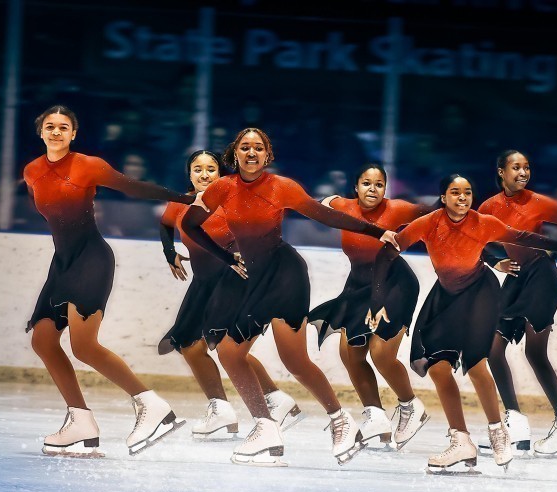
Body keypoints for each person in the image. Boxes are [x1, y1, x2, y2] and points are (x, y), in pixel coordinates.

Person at [181, 128, 398, 466]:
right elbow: (191, 224)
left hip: (286, 275)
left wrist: (377, 230)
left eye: (259, 148)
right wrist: (227, 258)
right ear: (234, 154)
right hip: (254, 278)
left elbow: (328, 216)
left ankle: (340, 421)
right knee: (229, 352)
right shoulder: (222, 188)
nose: (252, 153)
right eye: (245, 147)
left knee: (294, 361)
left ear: (268, 155)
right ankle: (266, 427)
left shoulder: (282, 187)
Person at [368, 174, 557, 474]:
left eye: (467, 192)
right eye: (455, 192)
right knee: (438, 367)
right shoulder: (429, 223)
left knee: (476, 363)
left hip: (481, 292)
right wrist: (377, 301)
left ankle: (498, 431)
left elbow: (524, 237)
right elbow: (388, 252)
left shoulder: (483, 222)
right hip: (446, 298)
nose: (463, 197)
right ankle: (461, 441)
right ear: (443, 197)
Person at [24, 105, 191, 457]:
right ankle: (81, 421)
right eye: (50, 127)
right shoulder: (32, 171)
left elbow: (133, 187)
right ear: (41, 132)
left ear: (74, 134)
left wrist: (184, 198)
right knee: (43, 340)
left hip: (92, 259)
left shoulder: (88, 166)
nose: (56, 132)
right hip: (63, 263)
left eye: (64, 127)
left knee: (84, 346)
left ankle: (153, 407)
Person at [158, 150, 299, 439]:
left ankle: (268, 401)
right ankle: (227, 407)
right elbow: (165, 224)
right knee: (190, 345)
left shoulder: (228, 201)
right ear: (189, 174)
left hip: (233, 278)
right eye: (197, 169)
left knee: (225, 345)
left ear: (220, 175)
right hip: (203, 282)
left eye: (211, 169)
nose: (204, 174)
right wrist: (169, 251)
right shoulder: (181, 203)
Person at [477, 150, 557, 457]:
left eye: (527, 167)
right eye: (516, 167)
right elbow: (478, 242)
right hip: (516, 279)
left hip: (542, 276)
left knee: (535, 351)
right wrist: (498, 262)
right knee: (492, 348)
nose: (523, 172)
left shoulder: (539, 202)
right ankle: (515, 422)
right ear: (501, 171)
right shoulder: (488, 207)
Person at [308, 163, 432, 451]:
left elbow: (435, 212)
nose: (372, 189)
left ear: (385, 189)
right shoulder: (342, 206)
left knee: (380, 353)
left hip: (396, 284)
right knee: (349, 353)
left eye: (379, 185)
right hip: (359, 286)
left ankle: (411, 406)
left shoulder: (398, 209)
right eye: (366, 183)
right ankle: (376, 417)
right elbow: (313, 205)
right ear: (356, 186)